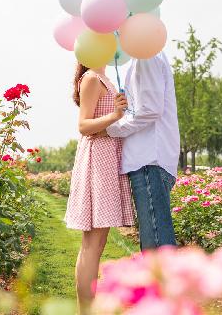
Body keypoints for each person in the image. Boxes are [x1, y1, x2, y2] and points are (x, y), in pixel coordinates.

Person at [64, 62, 135, 313]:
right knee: (92, 244)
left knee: (99, 242)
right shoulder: (92, 78)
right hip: (98, 160)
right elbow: (84, 125)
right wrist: (115, 115)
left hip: (107, 159)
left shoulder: (105, 78)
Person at [106, 51, 181, 250]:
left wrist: (111, 129)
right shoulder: (144, 57)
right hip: (148, 160)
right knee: (154, 243)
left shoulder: (146, 55)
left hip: (149, 159)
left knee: (155, 247)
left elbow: (150, 109)